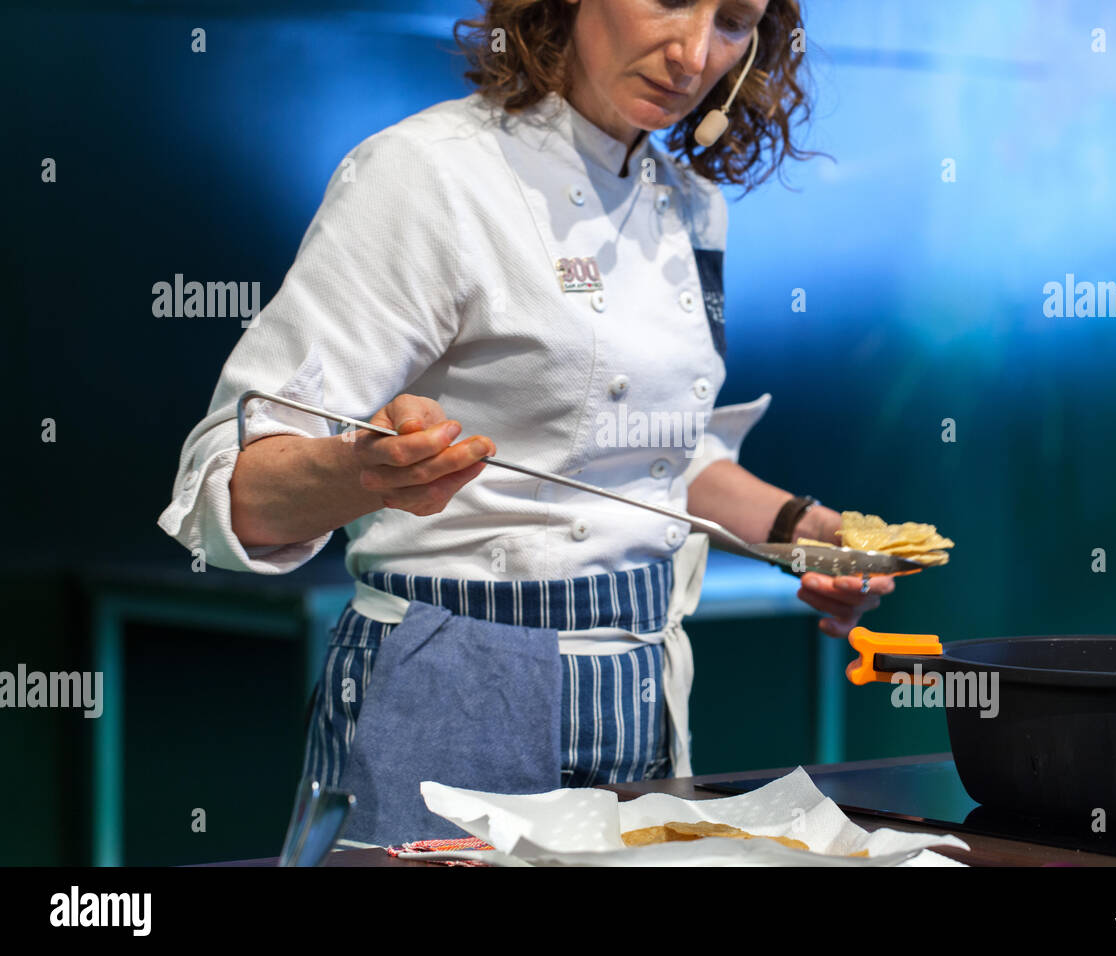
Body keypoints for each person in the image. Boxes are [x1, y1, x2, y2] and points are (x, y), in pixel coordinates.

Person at [158, 0, 895, 845]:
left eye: (734, 20)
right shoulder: (429, 175)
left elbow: (655, 459)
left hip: (639, 689)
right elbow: (232, 480)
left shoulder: (691, 207)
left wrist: (802, 531)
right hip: (453, 680)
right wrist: (363, 474)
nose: (694, 55)